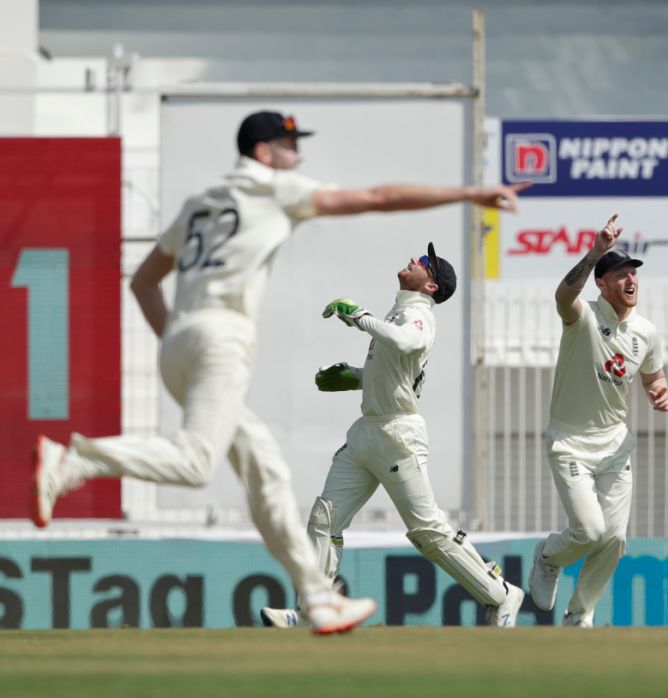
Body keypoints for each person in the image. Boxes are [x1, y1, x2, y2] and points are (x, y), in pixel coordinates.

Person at [31, 109, 529, 635]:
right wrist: (471, 194)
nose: (300, 157)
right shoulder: (274, 192)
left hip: (185, 343)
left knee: (271, 475)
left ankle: (317, 600)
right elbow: (379, 198)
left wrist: (181, 346)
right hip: (229, 347)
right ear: (265, 153)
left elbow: (143, 283)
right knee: (201, 462)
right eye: (291, 146)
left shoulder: (201, 202)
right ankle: (76, 459)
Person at [259, 243, 525, 628]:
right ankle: (310, 611)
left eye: (425, 263)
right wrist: (353, 375)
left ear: (431, 286)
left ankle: (501, 595)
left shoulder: (420, 314)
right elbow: (391, 374)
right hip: (368, 431)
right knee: (324, 519)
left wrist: (359, 316)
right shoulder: (399, 312)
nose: (415, 260)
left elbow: (405, 341)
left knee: (427, 531)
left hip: (398, 433)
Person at [526, 215, 668, 627]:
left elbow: (653, 375)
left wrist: (659, 390)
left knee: (614, 538)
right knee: (589, 531)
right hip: (570, 442)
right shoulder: (582, 317)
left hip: (614, 447)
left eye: (633, 275)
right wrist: (594, 253)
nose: (630, 281)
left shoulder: (646, 332)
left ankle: (579, 616)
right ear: (602, 284)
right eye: (620, 275)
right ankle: (548, 556)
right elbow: (562, 294)